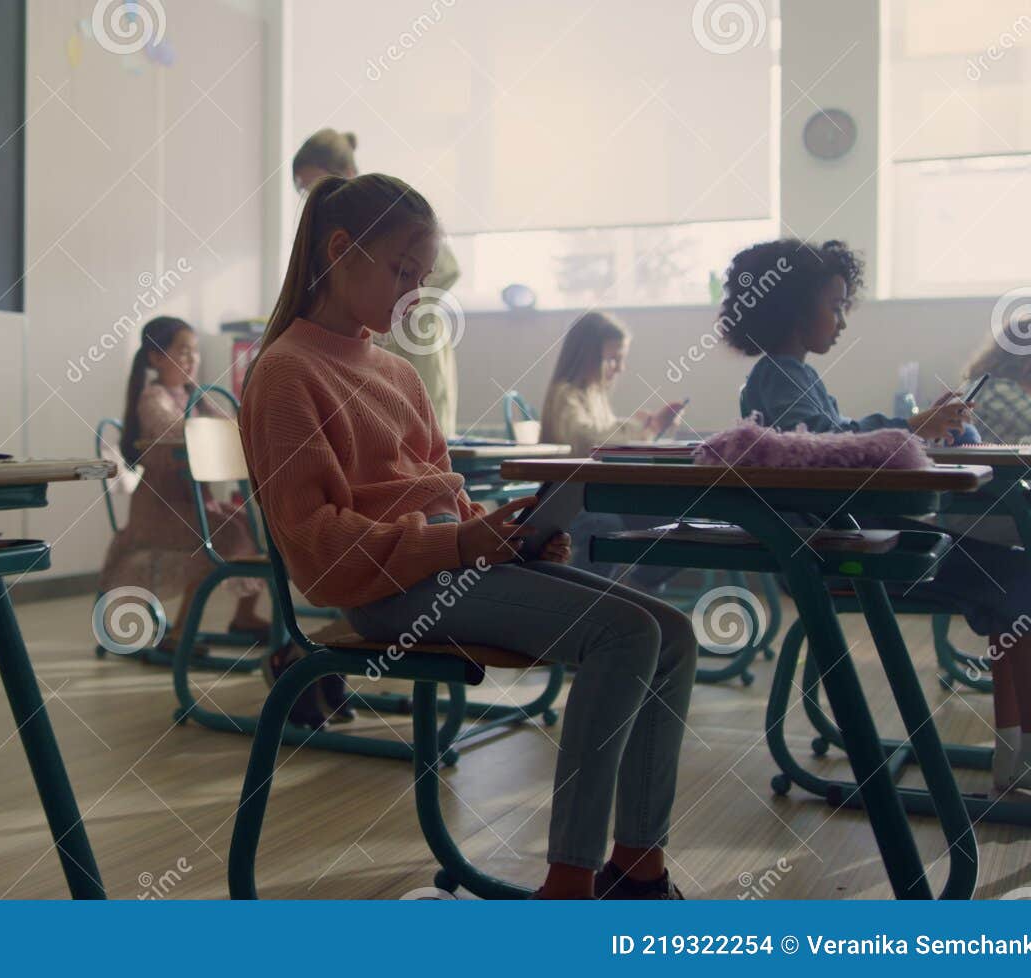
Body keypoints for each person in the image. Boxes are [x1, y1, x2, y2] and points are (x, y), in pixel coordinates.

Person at [241, 172, 697, 899]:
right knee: (627, 634)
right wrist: (458, 544)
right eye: (402, 272)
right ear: (340, 250)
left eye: (422, 279)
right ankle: (569, 889)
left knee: (673, 633)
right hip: (387, 592)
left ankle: (638, 874)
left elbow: (444, 495)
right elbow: (320, 553)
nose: (413, 295)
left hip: (452, 569)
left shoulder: (398, 374)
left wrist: (512, 535)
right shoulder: (286, 373)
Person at [727, 238, 1031, 797]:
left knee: (1021, 573)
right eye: (835, 306)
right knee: (1029, 576)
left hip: (854, 539)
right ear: (793, 309)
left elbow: (836, 439)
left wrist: (917, 429)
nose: (843, 320)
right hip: (846, 549)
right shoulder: (781, 376)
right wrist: (913, 428)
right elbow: (824, 449)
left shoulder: (787, 376)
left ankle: (1021, 751)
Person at [99, 316, 268, 649]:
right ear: (156, 357)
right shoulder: (154, 397)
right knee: (224, 535)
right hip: (160, 511)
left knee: (255, 526)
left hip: (195, 505)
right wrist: (215, 432)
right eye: (183, 351)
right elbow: (177, 432)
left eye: (195, 351)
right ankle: (181, 632)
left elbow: (232, 427)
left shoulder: (197, 397)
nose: (192, 358)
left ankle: (244, 616)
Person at [292, 128, 464, 436]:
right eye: (304, 189)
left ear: (347, 172)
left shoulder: (397, 220)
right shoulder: (294, 368)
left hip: (415, 343)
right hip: (376, 346)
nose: (312, 197)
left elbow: (447, 269)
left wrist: (397, 302)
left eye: (315, 184)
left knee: (420, 433)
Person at [540, 311, 685, 589]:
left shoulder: (595, 397)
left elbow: (607, 439)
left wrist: (651, 428)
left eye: (621, 359)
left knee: (673, 520)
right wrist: (644, 428)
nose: (619, 368)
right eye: (612, 359)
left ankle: (639, 588)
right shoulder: (565, 395)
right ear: (585, 355)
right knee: (604, 526)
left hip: (596, 495)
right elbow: (590, 443)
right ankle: (581, 598)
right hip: (568, 500)